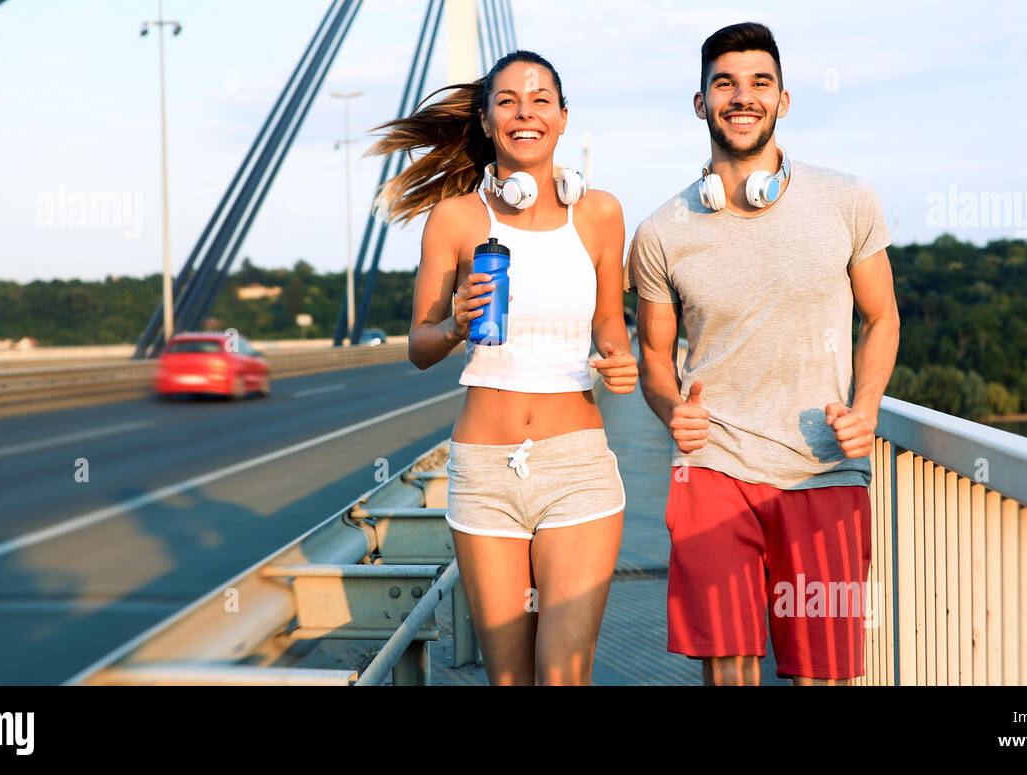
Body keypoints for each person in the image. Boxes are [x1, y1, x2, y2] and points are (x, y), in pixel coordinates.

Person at [627, 22, 900, 686]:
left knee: (821, 672)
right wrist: (671, 410)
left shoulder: (847, 198)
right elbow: (654, 358)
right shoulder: (661, 232)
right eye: (724, 83)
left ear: (782, 100)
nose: (741, 97)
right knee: (729, 661)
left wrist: (865, 409)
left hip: (824, 468)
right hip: (714, 468)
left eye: (759, 83)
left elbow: (882, 315)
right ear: (701, 103)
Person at [370, 50, 638, 686]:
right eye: (509, 100)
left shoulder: (599, 214)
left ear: (564, 118)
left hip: (577, 465)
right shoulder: (458, 218)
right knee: (510, 680)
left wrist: (615, 356)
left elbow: (607, 320)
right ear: (488, 121)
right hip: (485, 472)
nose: (526, 112)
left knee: (564, 675)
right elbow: (419, 344)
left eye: (542, 98)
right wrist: (456, 323)